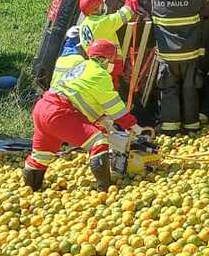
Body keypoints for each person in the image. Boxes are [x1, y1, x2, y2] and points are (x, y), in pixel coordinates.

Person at [24, 39, 140, 192]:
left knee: (40, 156)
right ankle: (104, 189)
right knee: (98, 141)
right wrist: (134, 126)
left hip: (42, 107)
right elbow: (114, 107)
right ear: (104, 59)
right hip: (59, 112)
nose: (113, 63)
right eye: (112, 60)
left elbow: (82, 98)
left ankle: (29, 191)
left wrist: (100, 119)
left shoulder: (83, 66)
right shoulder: (100, 74)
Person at [152, 0, 209, 133]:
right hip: (189, 56)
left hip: (167, 58)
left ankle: (170, 127)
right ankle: (191, 125)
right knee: (189, 88)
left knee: (169, 90)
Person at [77, 0, 140, 83]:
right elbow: (127, 12)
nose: (103, 5)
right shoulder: (102, 23)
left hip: (97, 64)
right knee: (112, 86)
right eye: (101, 4)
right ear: (96, 9)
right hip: (111, 64)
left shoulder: (84, 25)